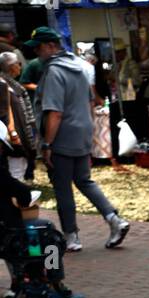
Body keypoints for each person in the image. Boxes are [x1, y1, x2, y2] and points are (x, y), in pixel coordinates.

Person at [31, 26, 129, 252]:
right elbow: (91, 102)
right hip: (82, 131)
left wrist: (47, 144)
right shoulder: (82, 67)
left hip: (62, 135)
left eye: (38, 48)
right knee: (84, 180)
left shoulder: (54, 72)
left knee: (63, 187)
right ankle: (114, 219)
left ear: (51, 46)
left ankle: (71, 236)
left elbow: (54, 112)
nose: (37, 53)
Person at [1, 51, 38, 181]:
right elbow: (6, 111)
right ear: (11, 67)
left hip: (21, 130)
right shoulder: (4, 85)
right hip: (13, 134)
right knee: (16, 167)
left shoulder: (13, 85)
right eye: (19, 64)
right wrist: (13, 133)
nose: (20, 67)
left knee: (21, 164)